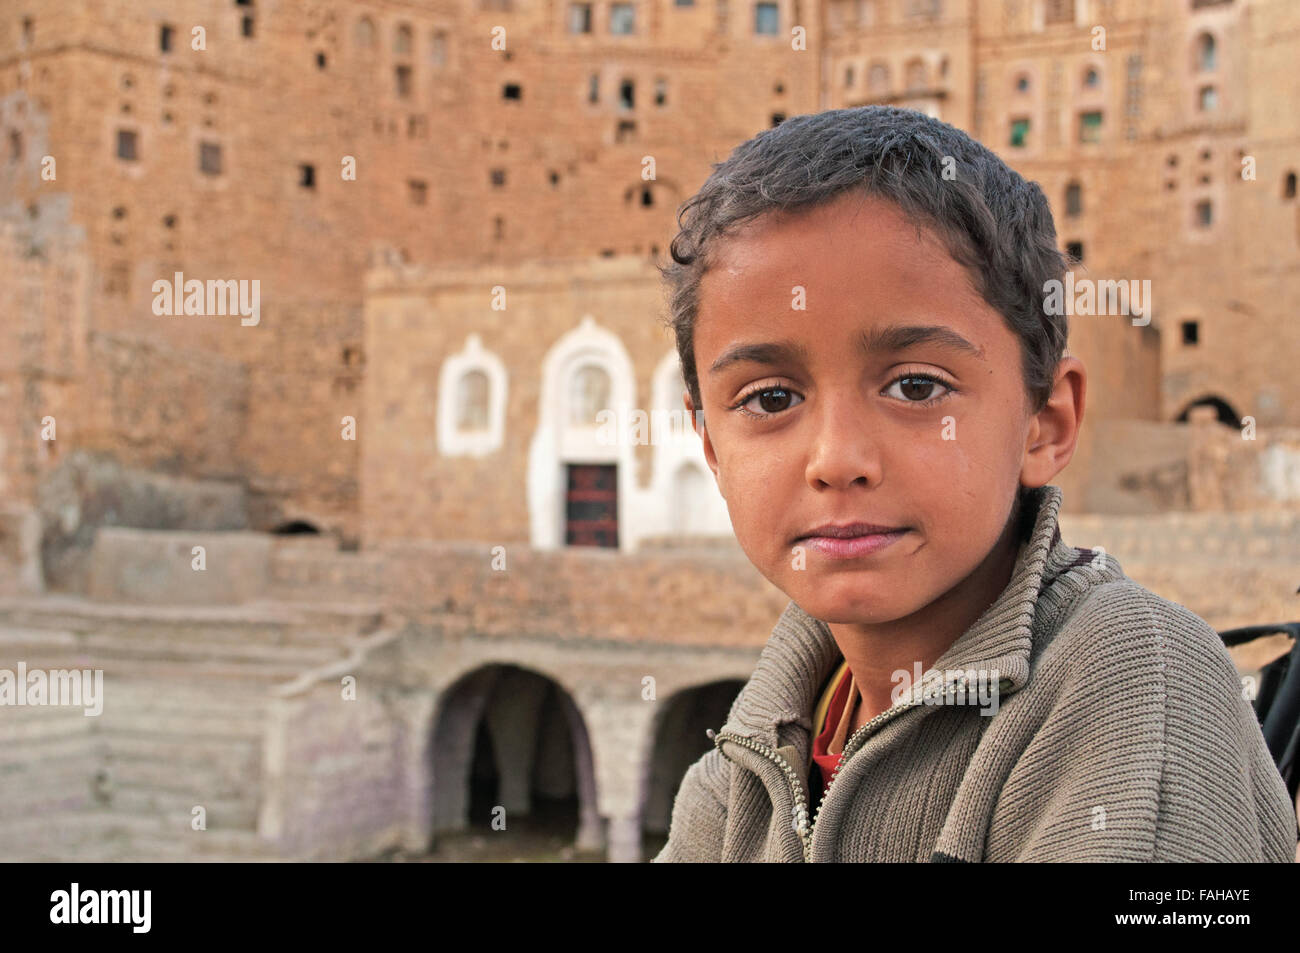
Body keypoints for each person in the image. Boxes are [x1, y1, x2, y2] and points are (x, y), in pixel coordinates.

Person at [652, 105, 1297, 862]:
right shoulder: (737, 777)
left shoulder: (1135, 682)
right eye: (771, 399)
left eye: (917, 387)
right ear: (712, 448)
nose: (835, 458)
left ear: (1045, 423)